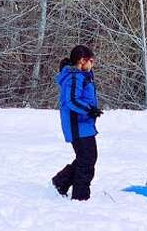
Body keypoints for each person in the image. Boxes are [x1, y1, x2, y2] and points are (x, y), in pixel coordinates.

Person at [51, 44, 101, 201]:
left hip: (84, 125)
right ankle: (80, 197)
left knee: (86, 158)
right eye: (91, 60)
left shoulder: (82, 75)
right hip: (77, 126)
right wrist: (89, 110)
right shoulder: (74, 76)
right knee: (87, 160)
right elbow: (72, 100)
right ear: (82, 60)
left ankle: (61, 181)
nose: (92, 64)